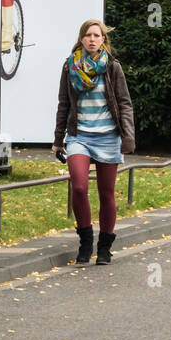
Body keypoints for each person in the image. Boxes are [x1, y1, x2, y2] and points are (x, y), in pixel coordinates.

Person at [53, 20, 135, 265]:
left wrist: (128, 137)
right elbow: (63, 104)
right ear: (81, 38)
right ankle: (85, 241)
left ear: (102, 40)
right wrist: (58, 140)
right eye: (87, 35)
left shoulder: (112, 68)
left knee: (106, 193)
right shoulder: (70, 67)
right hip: (80, 136)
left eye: (96, 35)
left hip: (108, 137)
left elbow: (124, 103)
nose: (92, 39)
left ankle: (105, 247)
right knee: (79, 187)